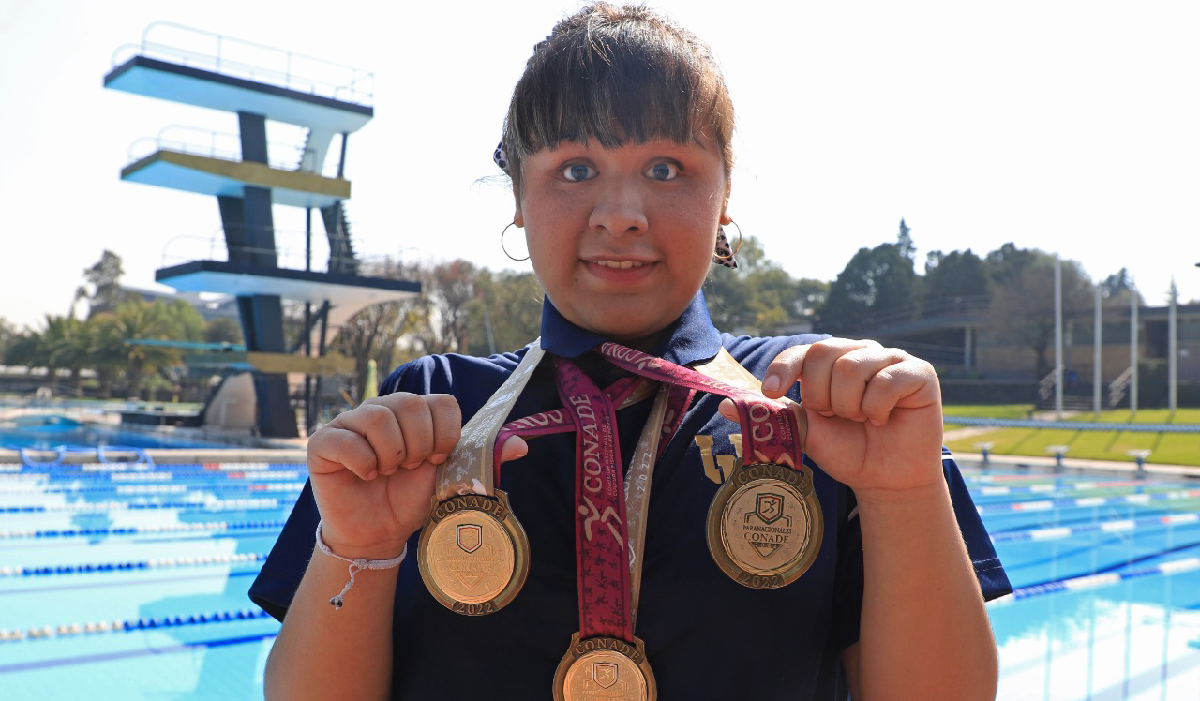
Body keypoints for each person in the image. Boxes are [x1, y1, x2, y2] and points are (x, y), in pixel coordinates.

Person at [250, 4, 1011, 700]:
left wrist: (904, 495)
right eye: (575, 170)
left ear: (726, 196)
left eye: (665, 169)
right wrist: (361, 545)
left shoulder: (824, 407)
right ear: (519, 197)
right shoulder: (431, 410)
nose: (620, 216)